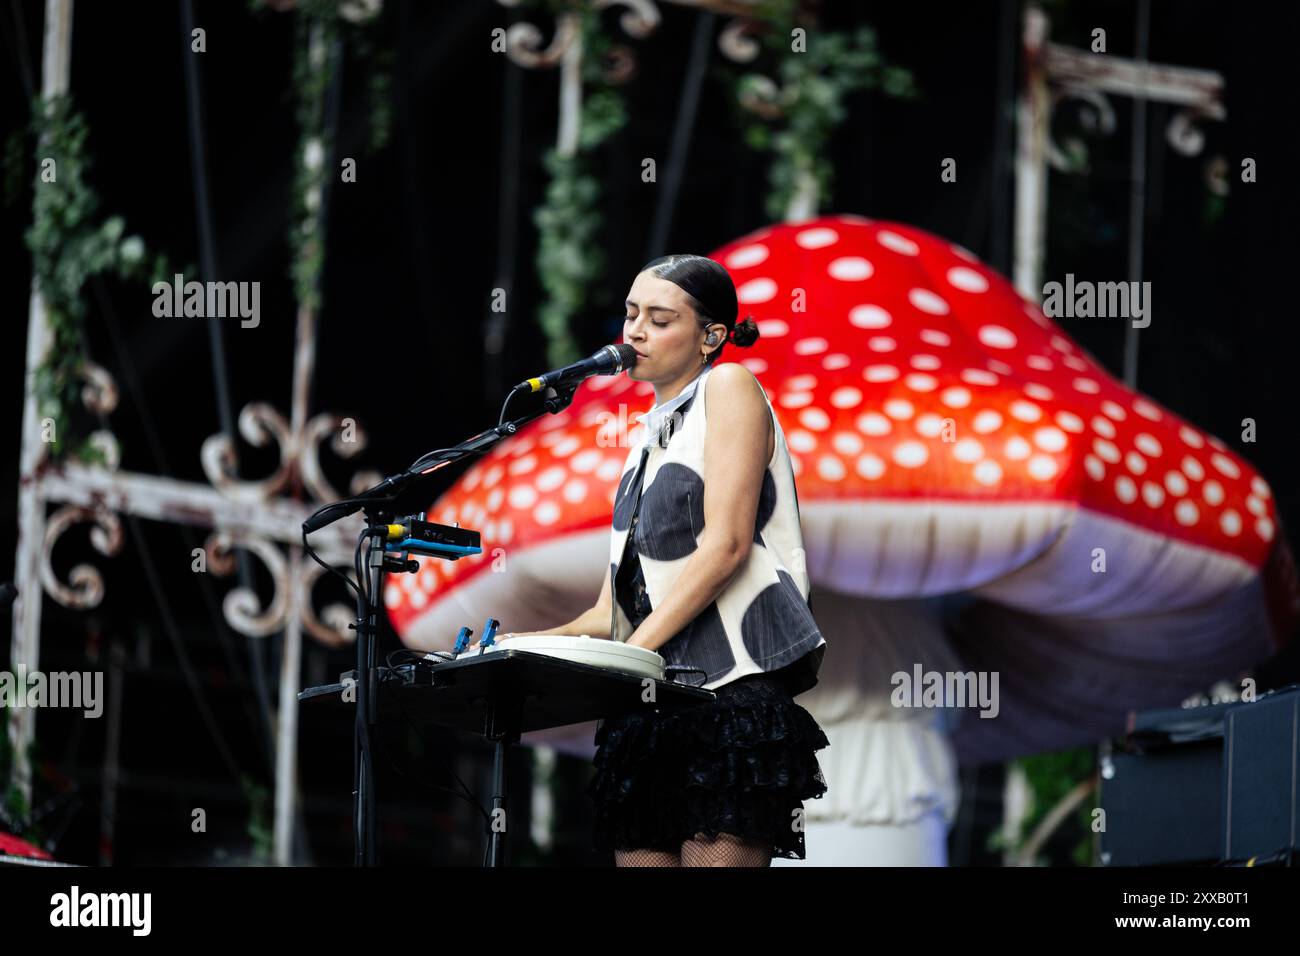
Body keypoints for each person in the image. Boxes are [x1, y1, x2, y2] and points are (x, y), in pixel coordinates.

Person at [506, 254, 830, 867]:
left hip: (726, 696)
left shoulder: (729, 386)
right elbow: (611, 611)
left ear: (711, 336)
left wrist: (631, 659)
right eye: (630, 316)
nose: (634, 333)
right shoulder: (643, 443)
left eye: (658, 319)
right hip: (649, 708)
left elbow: (727, 546)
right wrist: (521, 649)